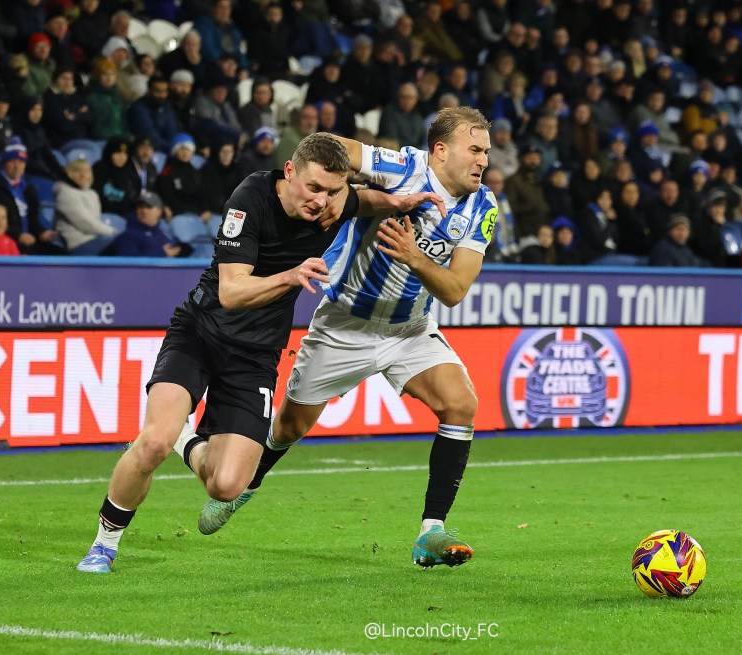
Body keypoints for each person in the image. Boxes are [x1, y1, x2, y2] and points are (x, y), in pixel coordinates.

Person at [77, 132, 444, 573]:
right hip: (201, 332)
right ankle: (104, 544)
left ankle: (185, 438)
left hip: (255, 355)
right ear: (290, 171)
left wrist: (402, 202)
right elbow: (232, 291)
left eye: (332, 192)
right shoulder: (250, 199)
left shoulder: (335, 201)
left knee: (228, 486)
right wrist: (292, 276)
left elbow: (363, 202)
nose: (322, 202)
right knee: (151, 443)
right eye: (314, 188)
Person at [186, 107, 498, 570]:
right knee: (289, 428)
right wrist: (338, 195)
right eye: (474, 149)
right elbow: (325, 144)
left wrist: (414, 257)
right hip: (344, 326)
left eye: (486, 152)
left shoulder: (483, 207)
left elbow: (453, 290)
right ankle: (245, 487)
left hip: (409, 329)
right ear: (441, 150)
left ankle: (431, 532)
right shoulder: (402, 169)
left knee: (461, 405)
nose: (483, 161)